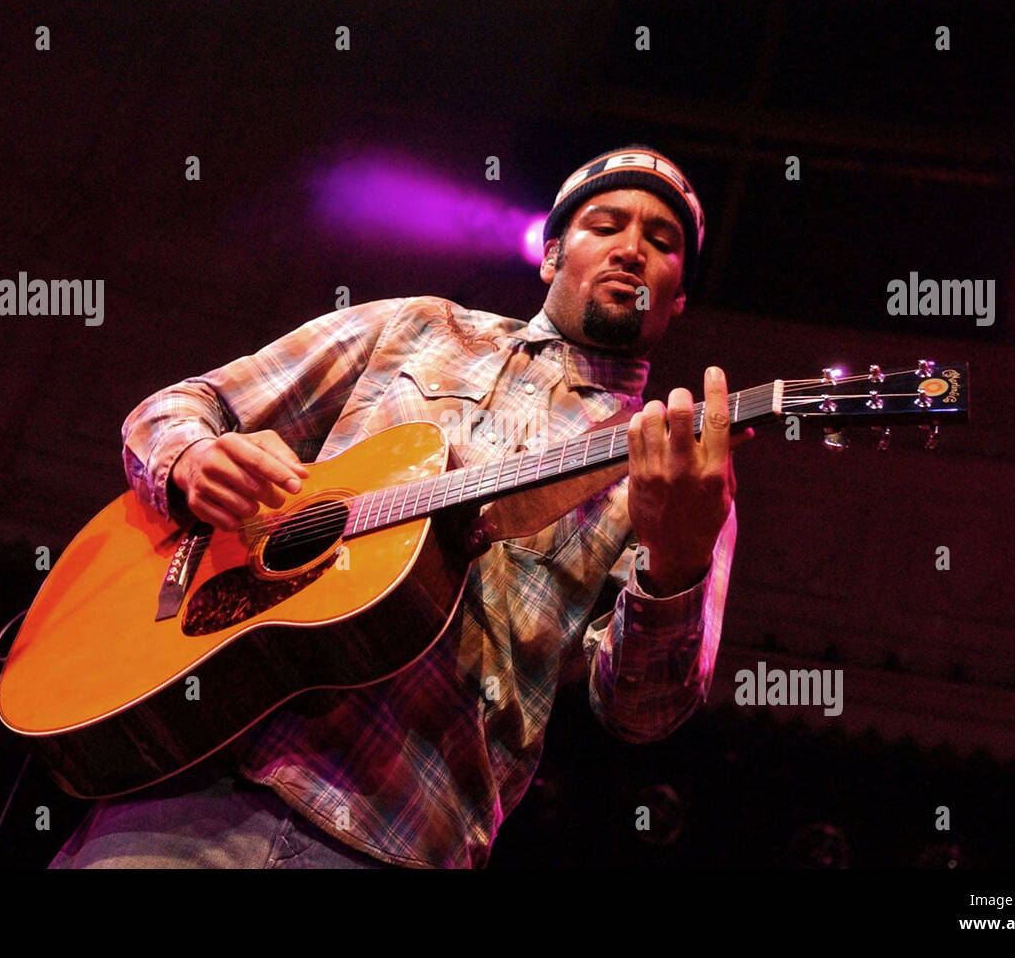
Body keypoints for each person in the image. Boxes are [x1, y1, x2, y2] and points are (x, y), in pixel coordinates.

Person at [50, 145, 752, 869]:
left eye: (662, 242)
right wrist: (192, 460)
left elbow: (643, 713)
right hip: (191, 774)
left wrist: (677, 563)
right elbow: (186, 407)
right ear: (550, 257)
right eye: (606, 225)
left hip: (395, 837)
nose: (633, 249)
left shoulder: (681, 471)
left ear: (676, 299)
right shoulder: (417, 328)